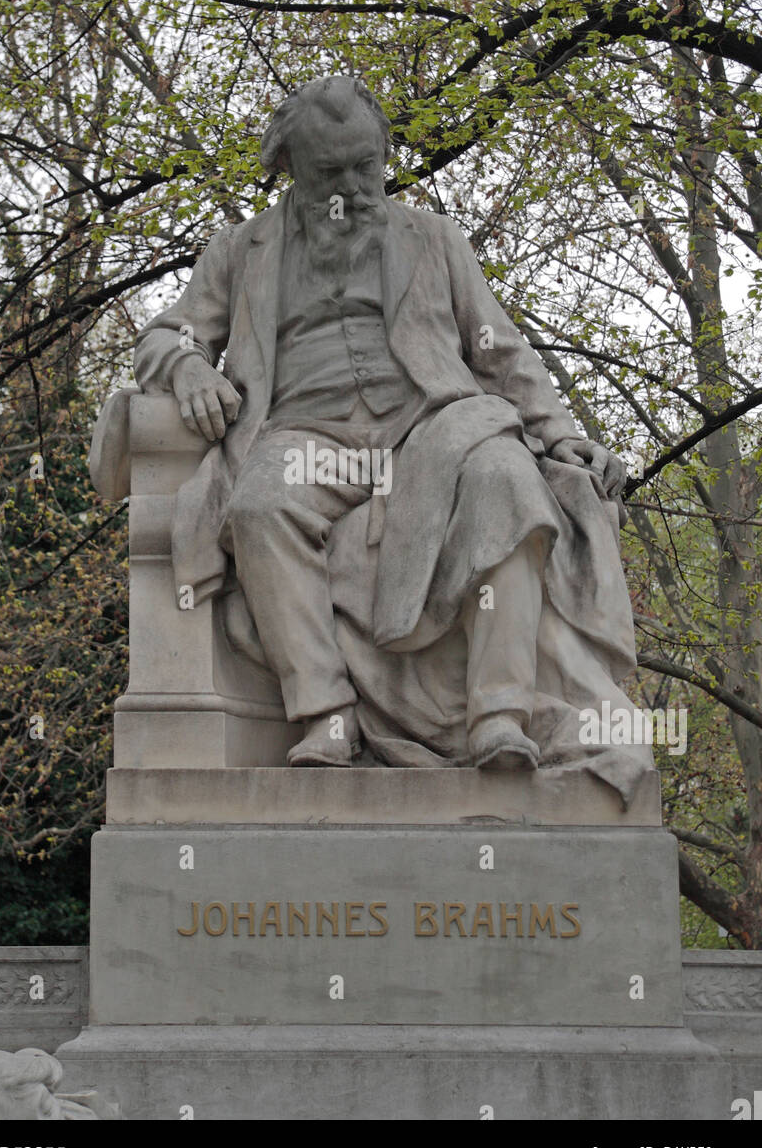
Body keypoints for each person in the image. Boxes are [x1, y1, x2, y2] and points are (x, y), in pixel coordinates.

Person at [134, 76, 650, 796]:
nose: (351, 187)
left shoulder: (433, 238)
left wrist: (558, 435)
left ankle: (500, 713)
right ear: (288, 167)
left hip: (430, 427)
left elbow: (500, 350)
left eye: (365, 166)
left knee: (507, 476)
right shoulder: (242, 250)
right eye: (329, 172)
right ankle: (326, 713)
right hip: (306, 435)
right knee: (257, 507)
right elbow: (167, 335)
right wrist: (188, 366)